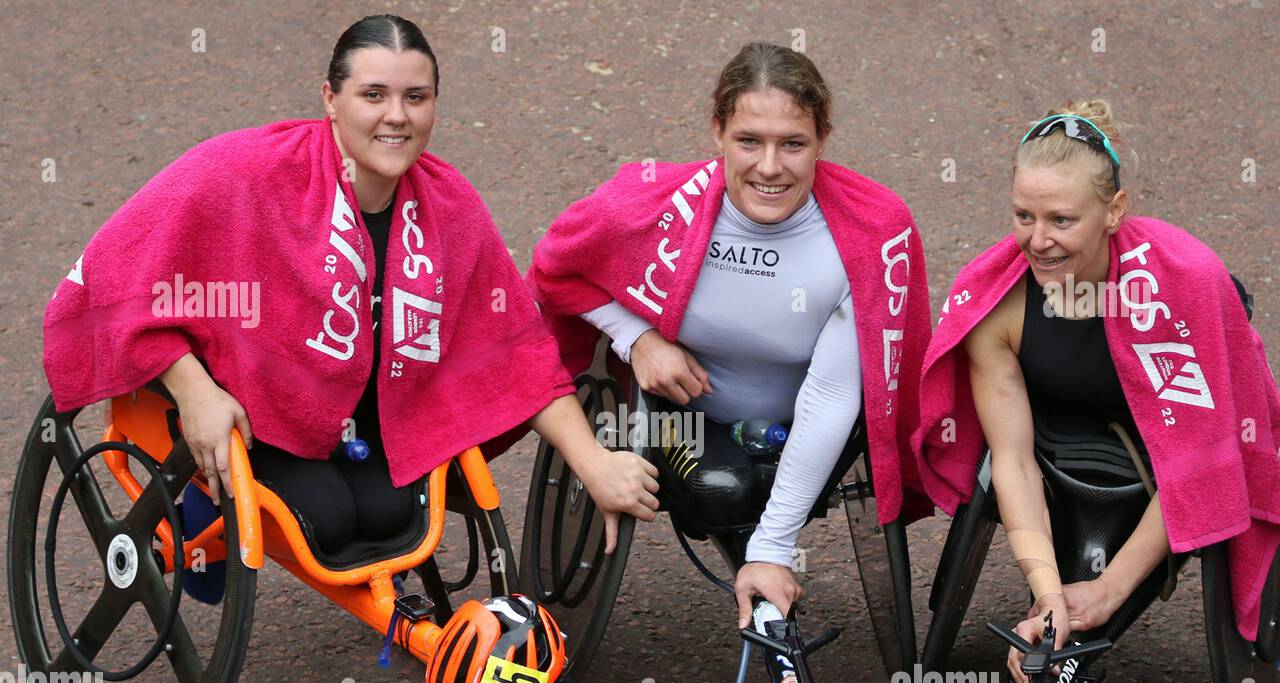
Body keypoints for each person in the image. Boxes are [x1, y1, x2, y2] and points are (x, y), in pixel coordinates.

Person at [43, 14, 658, 559]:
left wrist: (593, 462)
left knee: (396, 515)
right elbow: (118, 272)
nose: (397, 116)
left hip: (366, 417)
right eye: (374, 95)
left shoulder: (451, 205)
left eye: (416, 97)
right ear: (330, 100)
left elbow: (515, 352)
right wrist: (195, 391)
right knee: (328, 523)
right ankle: (198, 521)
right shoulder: (240, 171)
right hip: (249, 405)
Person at [530, 41, 932, 627]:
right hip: (685, 413)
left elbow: (831, 397)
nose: (770, 167)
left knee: (749, 495)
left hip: (811, 419)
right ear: (717, 131)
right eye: (749, 141)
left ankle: (757, 546)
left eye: (793, 144)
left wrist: (772, 548)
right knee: (722, 489)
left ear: (823, 138)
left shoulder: (872, 233)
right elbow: (554, 269)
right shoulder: (649, 205)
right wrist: (637, 338)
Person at [913, 100, 1280, 682]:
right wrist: (1048, 594)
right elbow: (1011, 459)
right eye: (1023, 216)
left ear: (1115, 211)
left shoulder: (1185, 285)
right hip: (1060, 438)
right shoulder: (995, 307)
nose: (1038, 241)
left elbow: (1201, 463)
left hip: (1173, 444)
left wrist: (1109, 591)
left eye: (1061, 220)